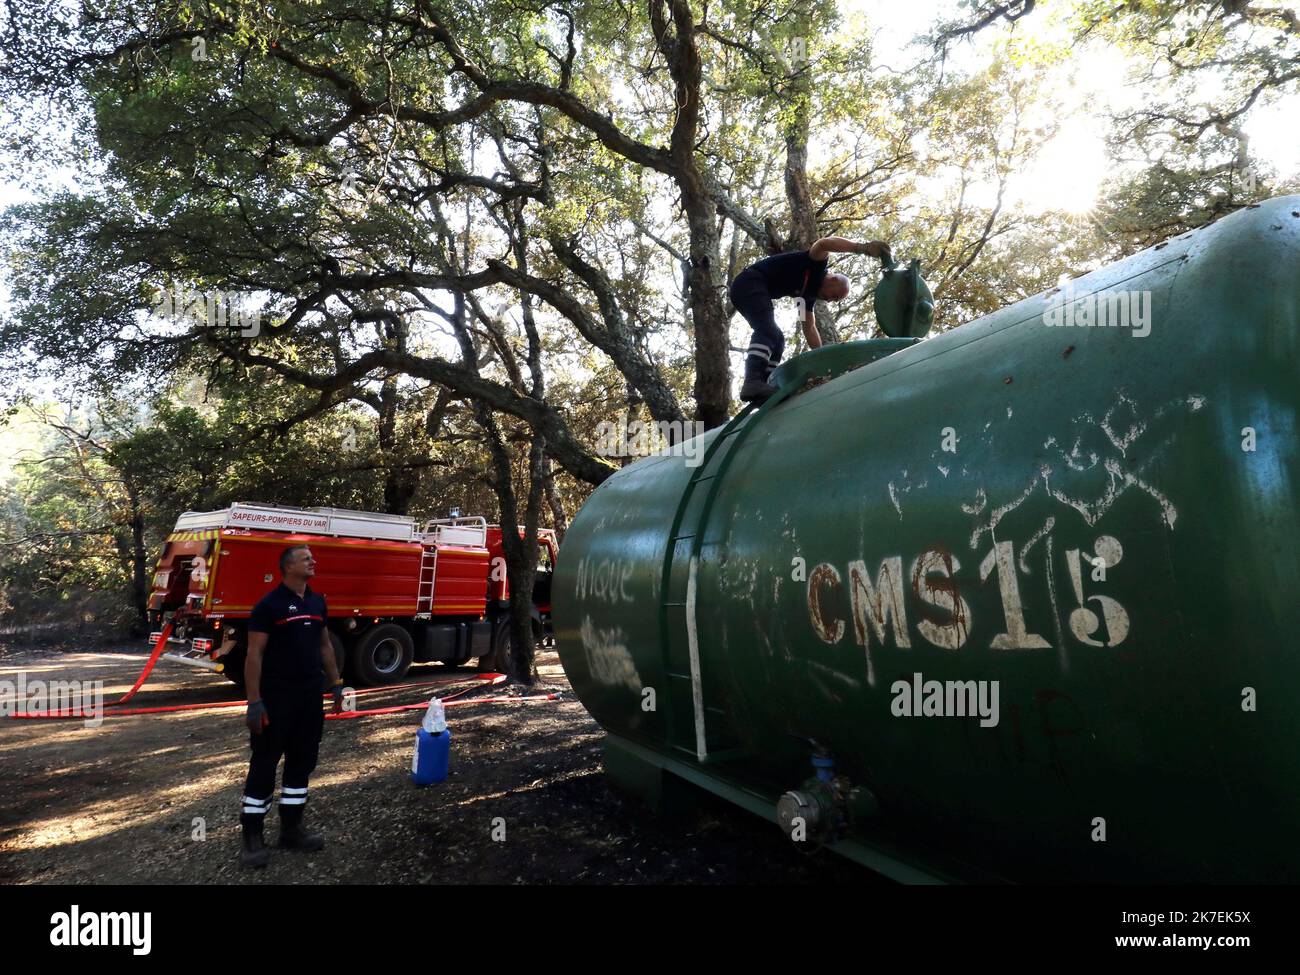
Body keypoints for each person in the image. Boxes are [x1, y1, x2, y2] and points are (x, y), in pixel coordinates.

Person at [239, 544, 345, 869]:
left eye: (312, 558)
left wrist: (337, 682)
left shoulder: (317, 602)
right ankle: (252, 837)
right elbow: (253, 655)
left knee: (303, 760)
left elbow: (325, 645)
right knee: (266, 761)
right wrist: (254, 702)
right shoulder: (268, 606)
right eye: (305, 558)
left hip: (309, 698)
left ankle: (291, 829)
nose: (313, 561)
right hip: (276, 698)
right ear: (288, 567)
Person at [729, 237, 892, 402]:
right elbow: (823, 244)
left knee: (778, 339)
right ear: (833, 279)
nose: (830, 300)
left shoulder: (805, 297)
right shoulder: (816, 265)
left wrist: (821, 359)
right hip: (749, 282)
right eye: (834, 296)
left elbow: (808, 327)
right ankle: (753, 381)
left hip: (746, 291)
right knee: (767, 330)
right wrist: (862, 247)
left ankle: (763, 387)